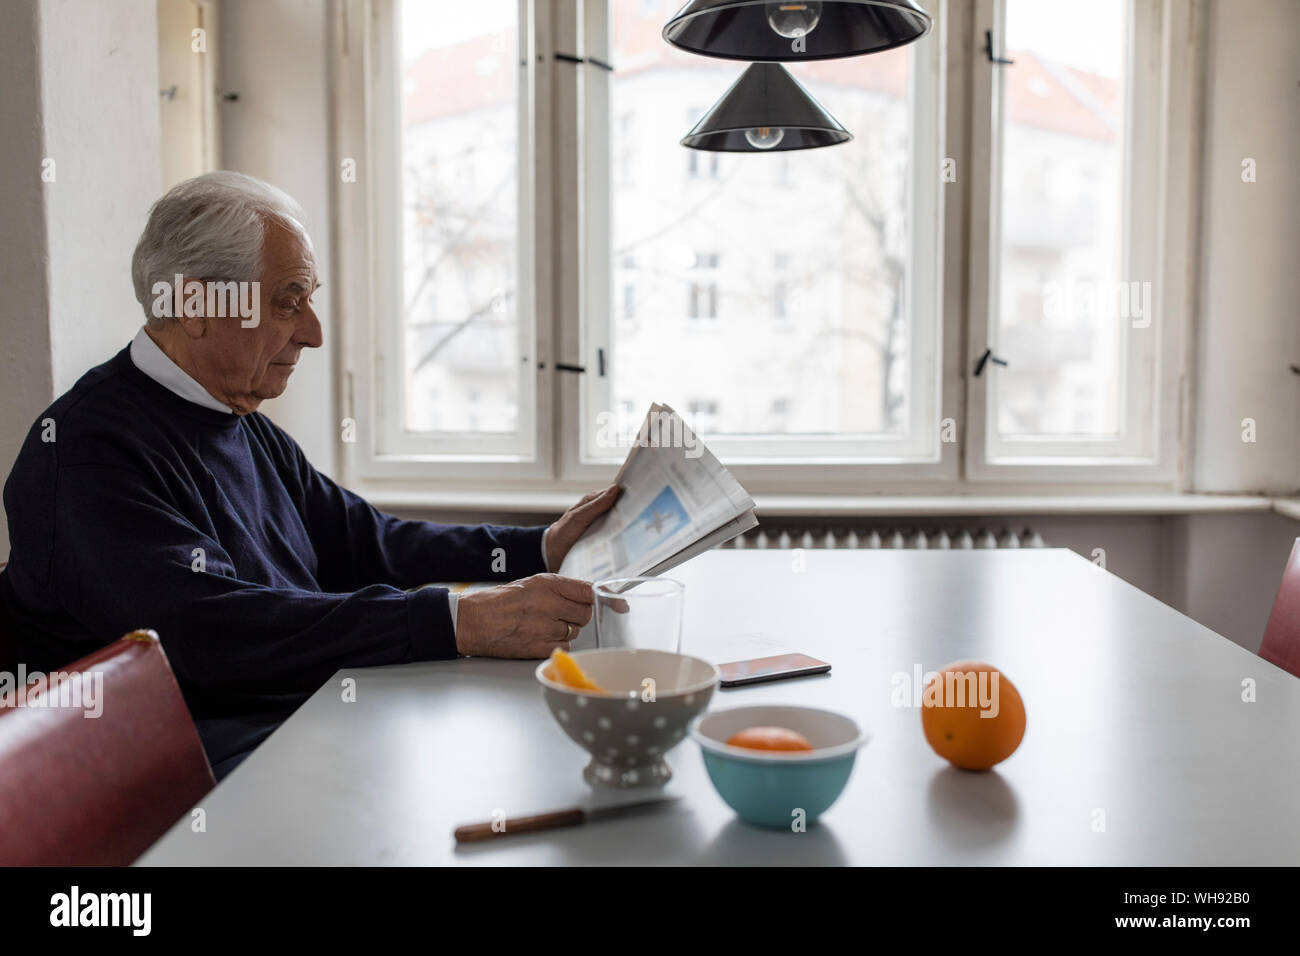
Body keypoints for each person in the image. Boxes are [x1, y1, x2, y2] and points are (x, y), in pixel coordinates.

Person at [0, 171, 618, 778]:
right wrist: (457, 621)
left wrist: (536, 547)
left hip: (287, 725)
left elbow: (367, 543)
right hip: (170, 781)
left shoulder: (238, 419)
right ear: (193, 305)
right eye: (287, 301)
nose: (313, 333)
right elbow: (211, 634)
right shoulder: (85, 450)